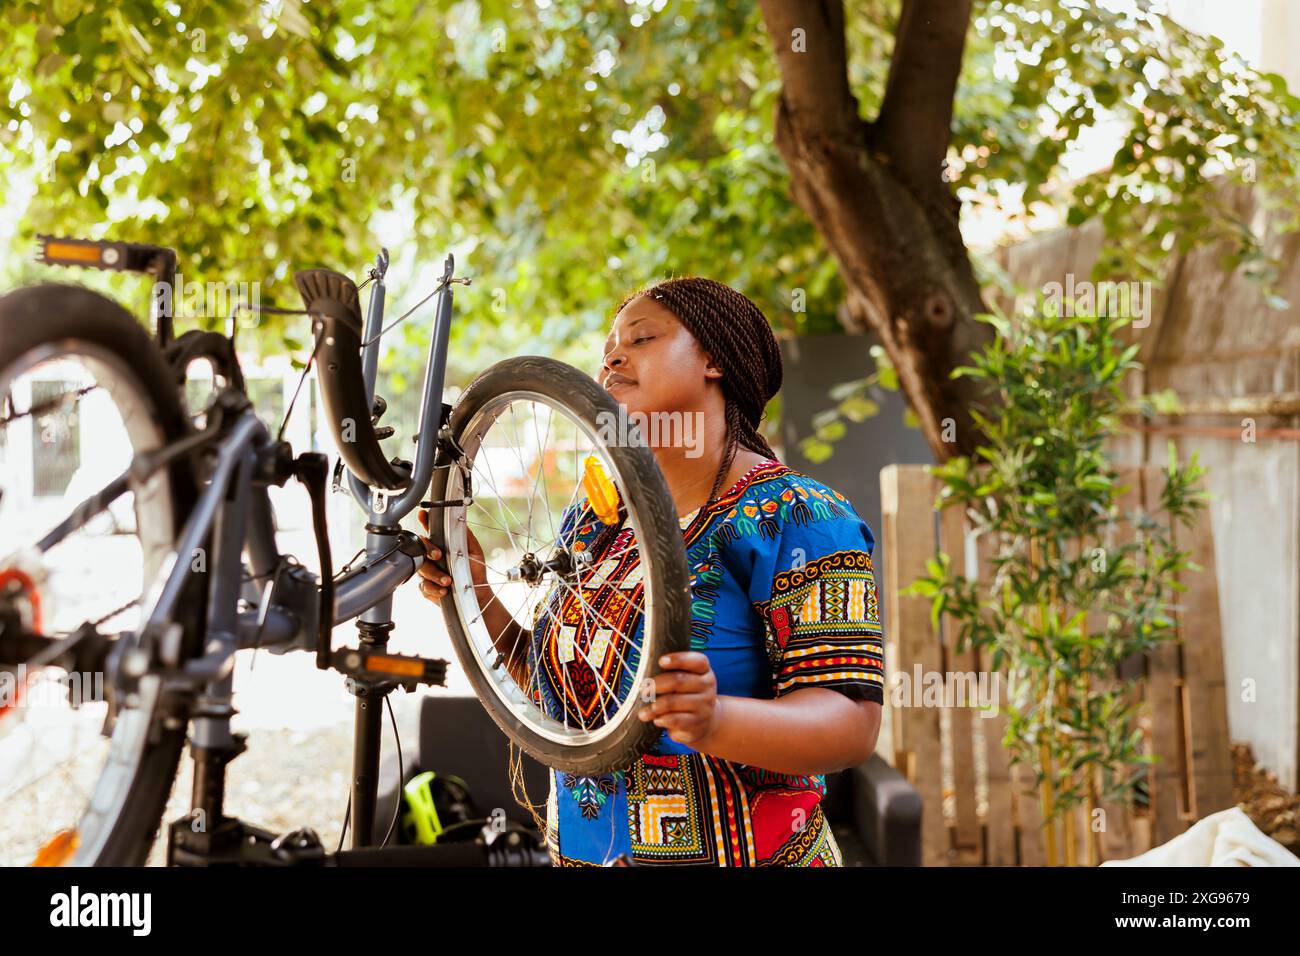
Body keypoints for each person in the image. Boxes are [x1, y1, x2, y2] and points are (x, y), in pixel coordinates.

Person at [415, 277, 884, 866]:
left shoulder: (801, 516)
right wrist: (474, 584)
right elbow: (561, 686)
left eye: (641, 338)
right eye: (609, 344)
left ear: (715, 359)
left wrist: (717, 721)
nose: (612, 357)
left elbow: (851, 723)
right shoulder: (594, 516)